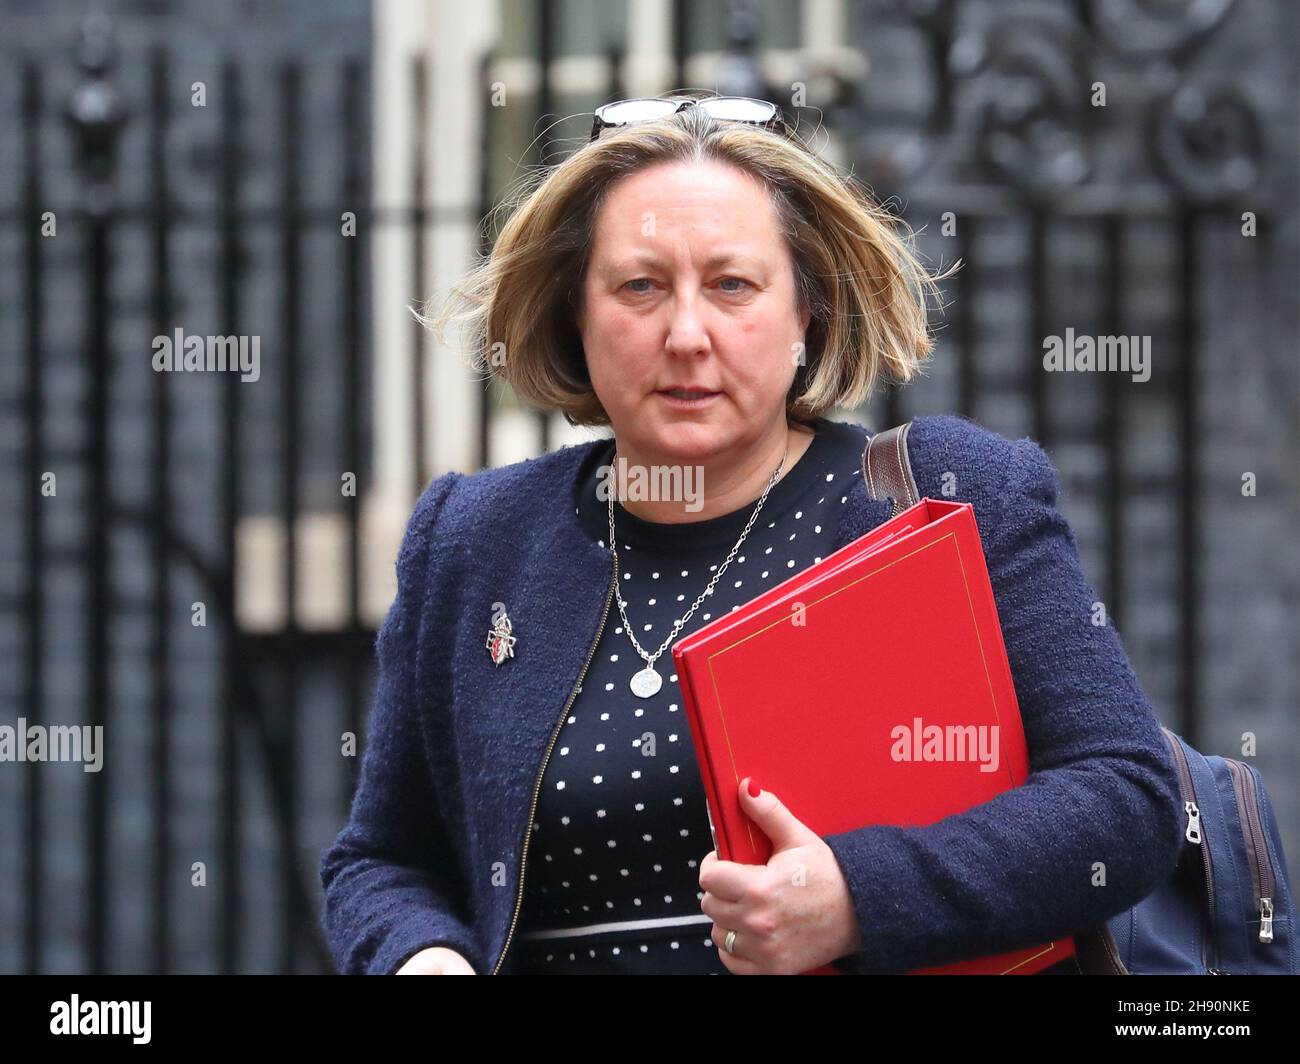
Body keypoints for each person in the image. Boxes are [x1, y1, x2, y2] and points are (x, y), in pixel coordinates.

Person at [318, 93, 1183, 975]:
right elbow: (382, 860)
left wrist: (858, 897)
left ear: (807, 312)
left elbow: (1124, 799)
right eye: (640, 286)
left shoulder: (953, 496)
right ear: (576, 314)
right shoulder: (474, 539)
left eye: (732, 285)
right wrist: (422, 957)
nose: (686, 335)